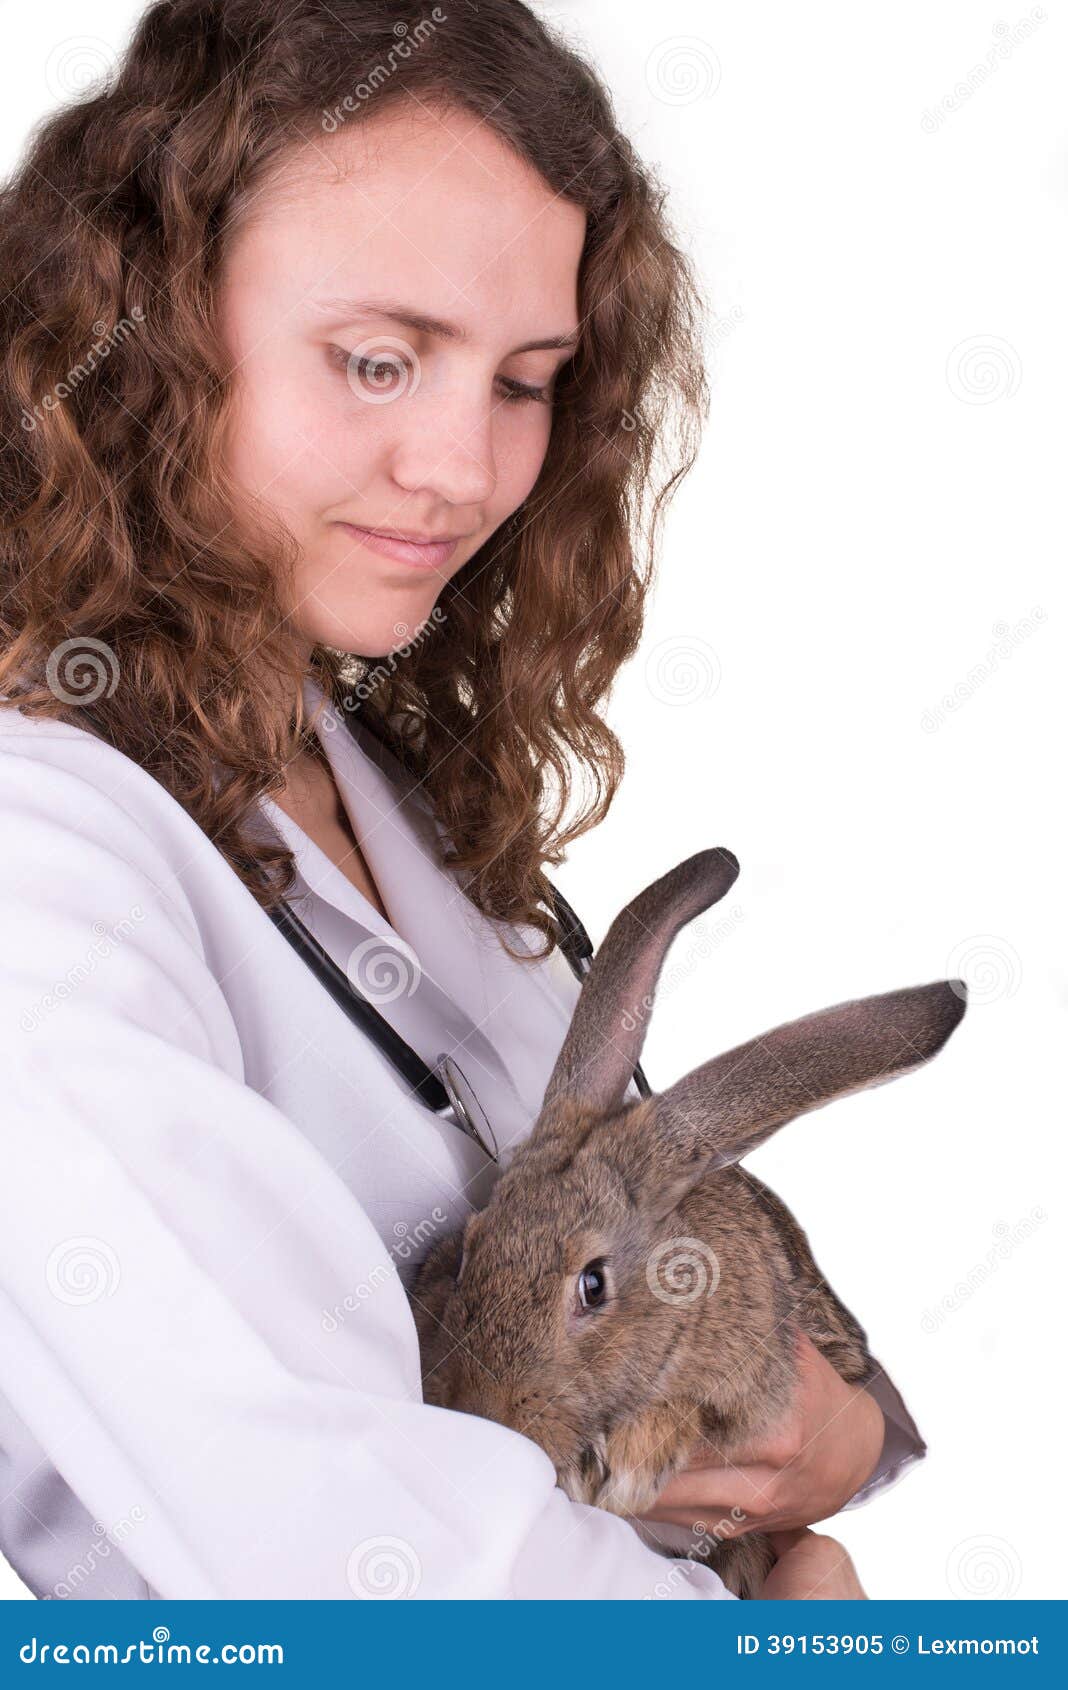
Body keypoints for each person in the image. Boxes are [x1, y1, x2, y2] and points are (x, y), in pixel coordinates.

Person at [0, 0, 909, 1600]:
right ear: (141, 331)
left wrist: (839, 1437)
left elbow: (650, 1258)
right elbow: (338, 1545)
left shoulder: (369, 778)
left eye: (525, 380)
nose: (464, 471)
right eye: (377, 360)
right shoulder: (37, 841)